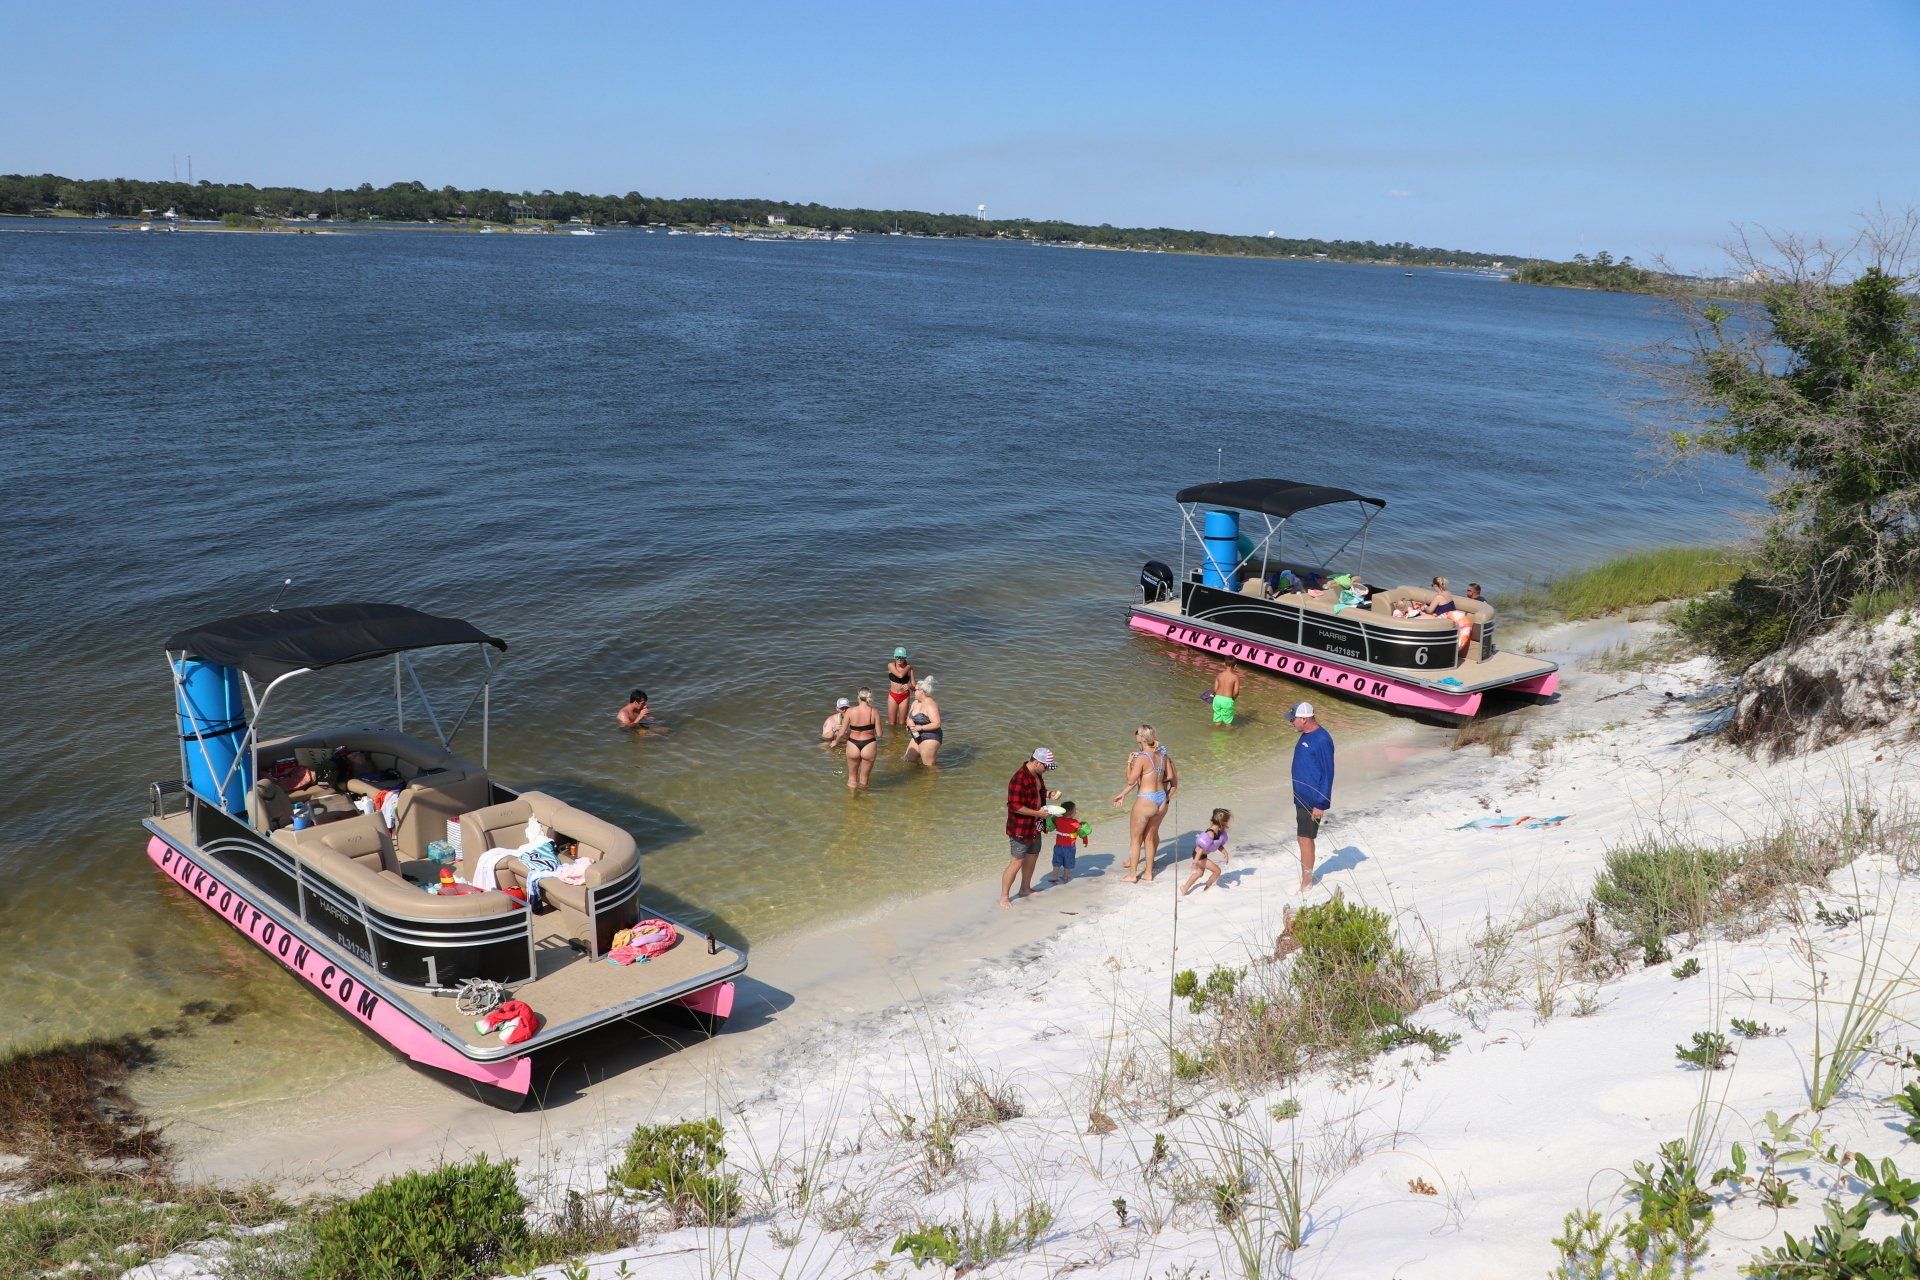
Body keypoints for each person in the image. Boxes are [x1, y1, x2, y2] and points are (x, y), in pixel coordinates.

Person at [1112, 724, 1176, 884]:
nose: (1136, 734)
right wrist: (1123, 794)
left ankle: (1133, 875)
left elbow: (1131, 780)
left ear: (1142, 738)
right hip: (1161, 798)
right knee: (1149, 838)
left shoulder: (1141, 757)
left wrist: (1129, 762)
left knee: (1135, 840)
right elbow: (1169, 776)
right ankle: (1148, 873)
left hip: (1146, 799)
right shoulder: (1162, 755)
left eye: (1138, 733)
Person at [1002, 748, 1058, 908]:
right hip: (1020, 827)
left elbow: (1038, 791)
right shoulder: (1019, 779)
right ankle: (1004, 896)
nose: (1047, 770)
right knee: (1016, 862)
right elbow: (1014, 806)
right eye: (1046, 767)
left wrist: (1049, 794)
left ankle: (1025, 888)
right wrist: (1038, 813)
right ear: (1037, 762)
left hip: (1036, 825)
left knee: (1033, 856)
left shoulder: (1037, 773)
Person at [1290, 702, 1334, 891]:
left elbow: (1328, 772)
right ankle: (1306, 878)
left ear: (1304, 719)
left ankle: (1306, 883)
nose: (1291, 721)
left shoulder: (1322, 739)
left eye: (1294, 719)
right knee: (1303, 838)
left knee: (1305, 838)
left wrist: (1321, 803)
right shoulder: (1306, 735)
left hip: (1312, 800)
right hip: (1302, 797)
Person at [833, 688, 882, 790]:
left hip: (853, 744)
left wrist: (835, 742)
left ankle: (852, 800)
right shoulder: (874, 711)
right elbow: (880, 733)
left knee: (852, 778)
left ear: (858, 698)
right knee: (864, 780)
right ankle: (863, 803)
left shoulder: (850, 711)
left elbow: (842, 732)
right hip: (869, 745)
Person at [1181, 807, 1232, 896]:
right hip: (1199, 856)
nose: (1228, 823)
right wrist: (1195, 862)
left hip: (1201, 856)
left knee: (1199, 873)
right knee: (1217, 871)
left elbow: (1217, 844)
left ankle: (1184, 888)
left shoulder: (1218, 831)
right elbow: (1201, 848)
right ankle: (1208, 886)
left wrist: (1225, 852)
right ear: (1223, 822)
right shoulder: (1211, 833)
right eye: (1227, 821)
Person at [1044, 800, 1089, 884]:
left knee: (1056, 862)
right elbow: (1082, 833)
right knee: (1068, 862)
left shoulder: (1057, 820)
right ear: (1072, 813)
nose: (1076, 811)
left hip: (1058, 846)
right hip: (1069, 847)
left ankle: (1054, 876)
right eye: (1075, 810)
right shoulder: (1075, 823)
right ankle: (1065, 877)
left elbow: (1049, 825)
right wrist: (1085, 841)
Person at [902, 677, 944, 768]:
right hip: (916, 735)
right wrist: (908, 723)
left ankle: (932, 780)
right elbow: (909, 717)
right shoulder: (915, 702)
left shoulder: (931, 705)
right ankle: (917, 778)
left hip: (930, 737)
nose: (914, 692)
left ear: (922, 691)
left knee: (929, 767)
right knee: (908, 760)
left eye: (916, 690)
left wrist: (920, 728)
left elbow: (937, 723)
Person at [885, 647, 916, 728]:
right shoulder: (891, 665)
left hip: (904, 697)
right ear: (894, 657)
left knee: (902, 723)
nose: (899, 659)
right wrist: (908, 667)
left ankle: (901, 738)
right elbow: (900, 675)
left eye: (901, 657)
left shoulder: (910, 670)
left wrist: (909, 685)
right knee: (892, 723)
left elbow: (914, 688)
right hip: (893, 696)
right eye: (897, 657)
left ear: (905, 658)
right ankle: (892, 739)